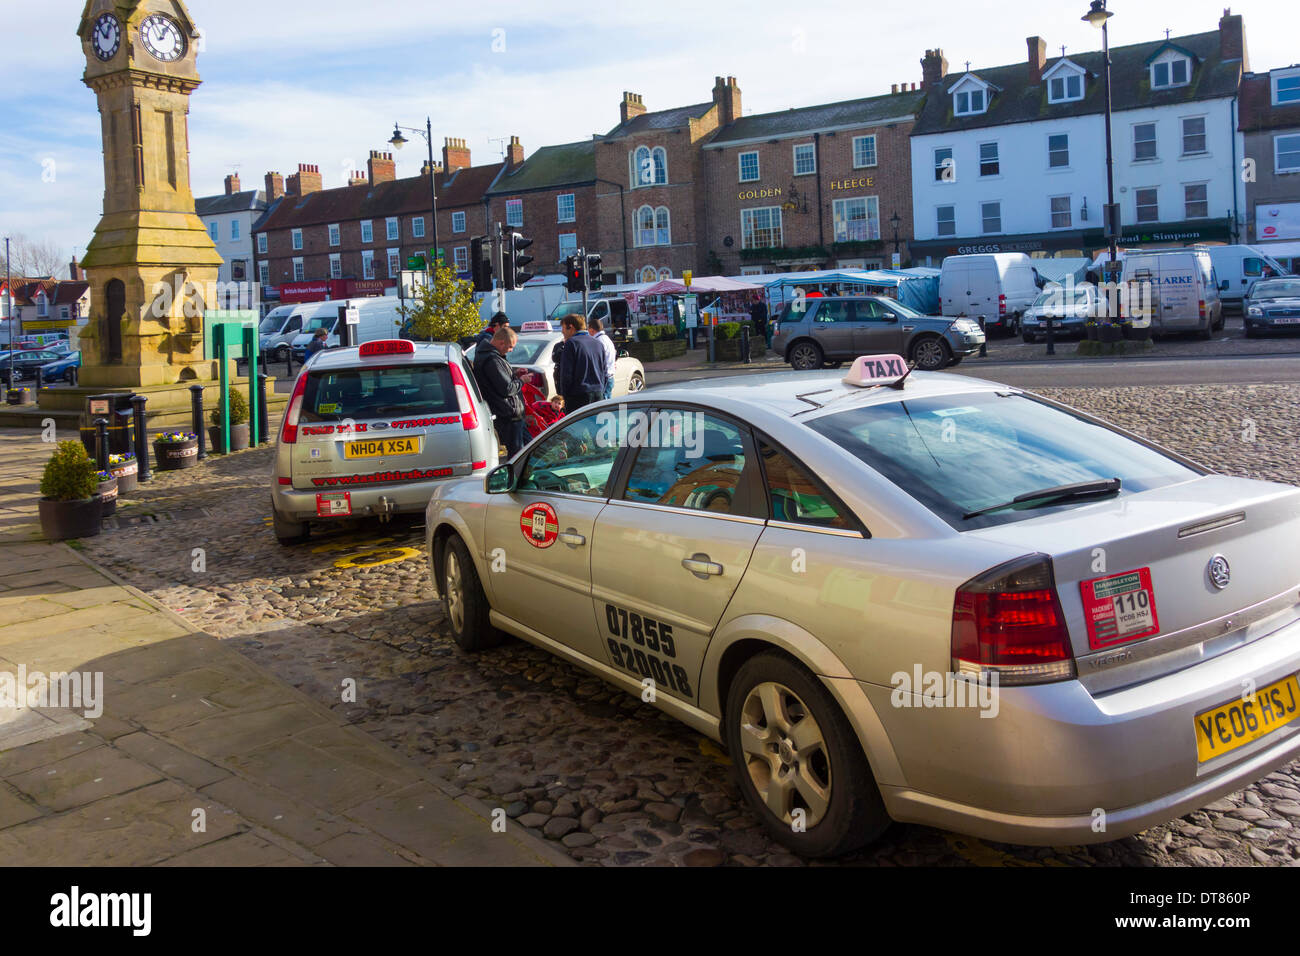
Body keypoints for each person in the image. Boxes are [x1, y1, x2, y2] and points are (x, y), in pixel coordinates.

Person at [473, 326, 526, 458]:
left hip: (509, 413)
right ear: (501, 342)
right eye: (509, 347)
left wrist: (514, 375)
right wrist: (522, 381)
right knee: (518, 455)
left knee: (527, 450)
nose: (510, 351)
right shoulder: (492, 359)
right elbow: (506, 389)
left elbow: (498, 380)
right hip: (507, 414)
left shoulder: (489, 356)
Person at [556, 314, 606, 412]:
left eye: (563, 328)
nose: (562, 331)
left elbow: (566, 374)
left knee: (577, 427)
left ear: (571, 327)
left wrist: (565, 396)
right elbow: (604, 371)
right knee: (597, 426)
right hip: (598, 393)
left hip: (578, 396)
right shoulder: (598, 343)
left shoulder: (571, 343)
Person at [590, 317, 617, 400]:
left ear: (591, 330)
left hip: (603, 378)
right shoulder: (607, 339)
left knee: (603, 406)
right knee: (607, 403)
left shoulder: (598, 341)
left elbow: (597, 361)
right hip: (610, 376)